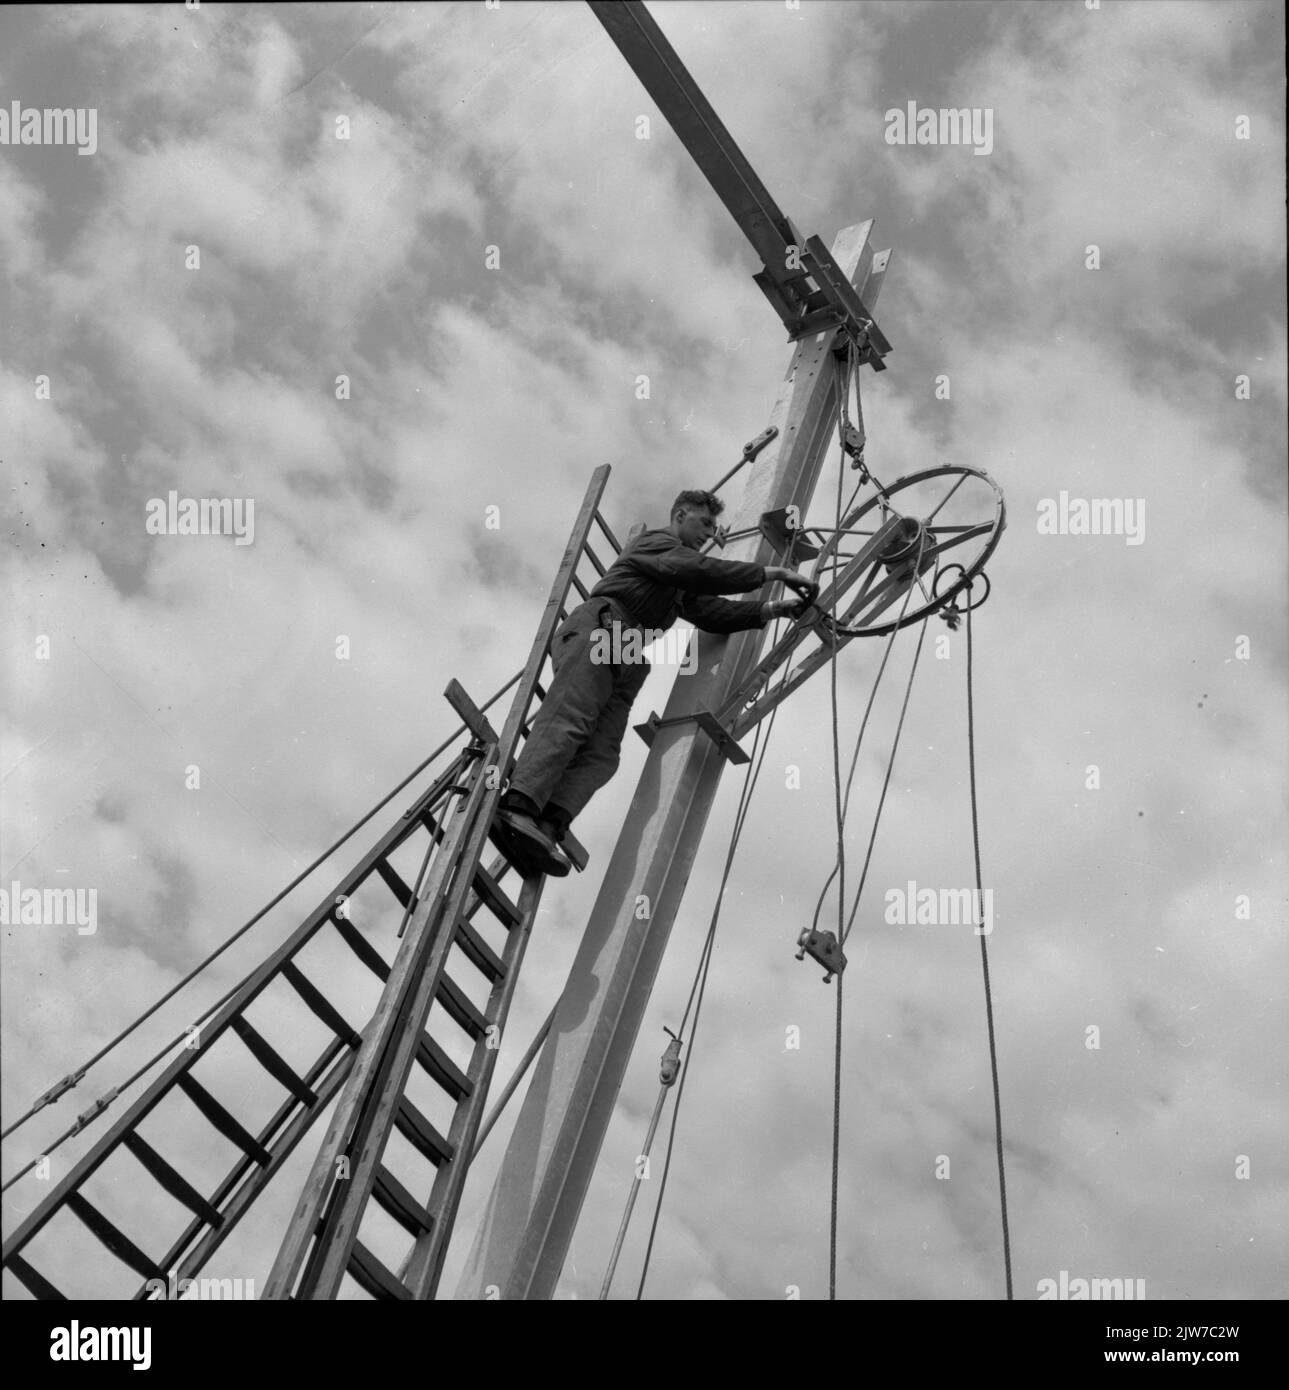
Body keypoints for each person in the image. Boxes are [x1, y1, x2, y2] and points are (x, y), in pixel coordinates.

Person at [493, 489, 817, 876]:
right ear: (680, 515)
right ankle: (519, 805)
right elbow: (698, 570)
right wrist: (772, 573)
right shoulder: (658, 545)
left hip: (627, 651)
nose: (709, 533)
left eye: (713, 526)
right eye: (704, 523)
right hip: (604, 628)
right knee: (569, 718)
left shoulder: (679, 577)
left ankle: (547, 826)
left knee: (603, 755)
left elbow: (710, 611)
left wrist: (770, 609)